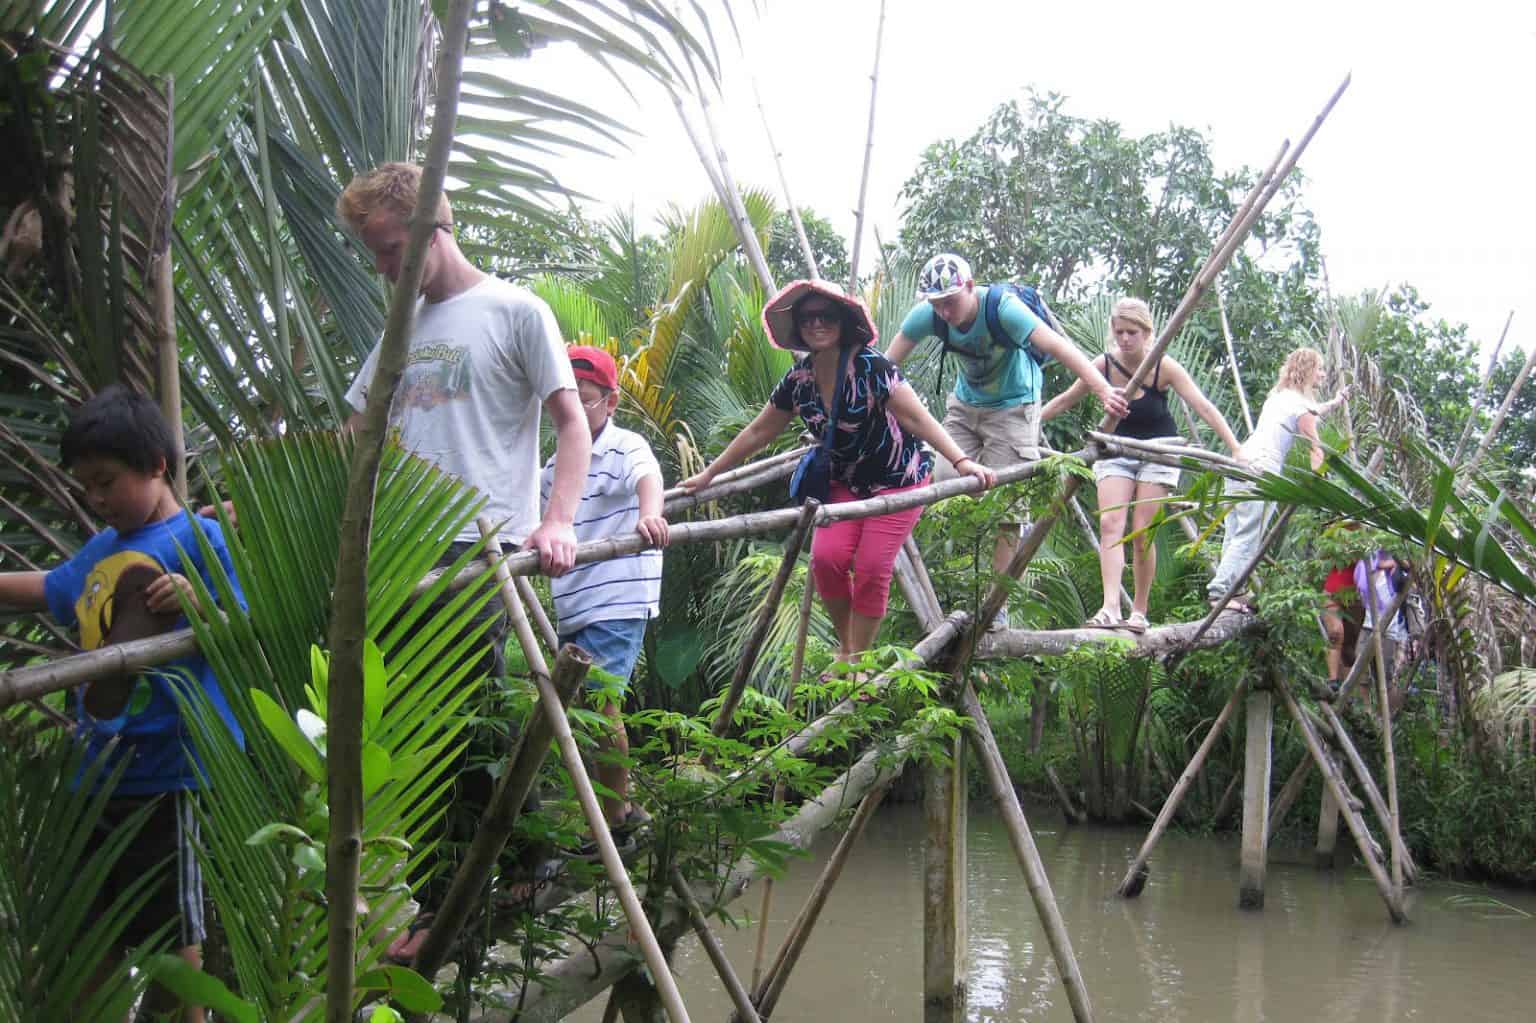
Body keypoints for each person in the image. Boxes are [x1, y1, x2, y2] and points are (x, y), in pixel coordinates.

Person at [334, 161, 592, 964]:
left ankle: (457, 899)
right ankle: (508, 866)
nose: (383, 267)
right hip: (400, 549)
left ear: (431, 229)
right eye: (374, 253)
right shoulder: (399, 328)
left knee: (461, 716)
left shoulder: (516, 310)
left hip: (479, 541)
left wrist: (556, 519)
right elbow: (355, 434)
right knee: (418, 722)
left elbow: (571, 423)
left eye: (389, 248)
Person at [0, 386, 246, 1022]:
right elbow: (50, 589)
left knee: (174, 940)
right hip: (95, 774)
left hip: (170, 772)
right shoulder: (101, 550)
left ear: (158, 464)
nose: (97, 498)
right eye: (87, 487)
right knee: (87, 934)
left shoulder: (204, 540)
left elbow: (247, 633)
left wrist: (198, 603)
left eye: (106, 481)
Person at [682, 280, 997, 661]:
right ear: (798, 326)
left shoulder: (872, 367)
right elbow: (759, 431)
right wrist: (710, 474)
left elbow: (917, 418)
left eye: (826, 316)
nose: (817, 324)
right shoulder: (798, 380)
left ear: (843, 321)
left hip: (899, 479)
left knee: (872, 566)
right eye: (807, 318)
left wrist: (962, 461)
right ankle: (848, 649)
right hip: (846, 481)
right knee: (826, 559)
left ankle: (857, 660)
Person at [884, 253, 1129, 629]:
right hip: (965, 405)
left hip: (1015, 407)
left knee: (1007, 509)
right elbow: (885, 368)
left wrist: (1102, 389)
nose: (944, 312)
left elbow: (1058, 347)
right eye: (937, 304)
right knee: (945, 481)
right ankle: (1008, 520)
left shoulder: (1003, 308)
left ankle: (996, 607)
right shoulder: (928, 316)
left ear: (970, 287)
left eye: (950, 301)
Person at [1041, 298, 1244, 631]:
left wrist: (1235, 448)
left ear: (1147, 333)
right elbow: (1066, 399)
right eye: (1119, 332)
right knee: (1110, 523)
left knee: (1142, 532)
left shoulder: (1164, 367)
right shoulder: (1104, 365)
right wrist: (1031, 422)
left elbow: (1203, 406)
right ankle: (1110, 607)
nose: (1125, 339)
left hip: (1158, 452)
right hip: (1115, 451)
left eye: (1132, 332)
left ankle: (1139, 610)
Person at [539, 345, 668, 852]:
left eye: (586, 397)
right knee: (580, 710)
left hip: (618, 595)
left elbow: (648, 478)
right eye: (565, 398)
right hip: (573, 600)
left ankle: (617, 819)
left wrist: (650, 514)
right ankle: (620, 810)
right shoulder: (554, 465)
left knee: (599, 701)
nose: (574, 408)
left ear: (610, 402)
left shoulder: (624, 445)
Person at [1207, 347, 1349, 610]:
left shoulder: (1279, 397)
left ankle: (1233, 590)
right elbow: (1315, 447)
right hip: (1262, 469)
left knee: (1235, 532)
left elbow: (1314, 411)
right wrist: (1320, 483)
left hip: (1240, 460)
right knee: (1248, 535)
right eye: (1319, 369)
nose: (1322, 374)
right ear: (1308, 371)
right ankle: (1219, 592)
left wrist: (1336, 402)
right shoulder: (1301, 406)